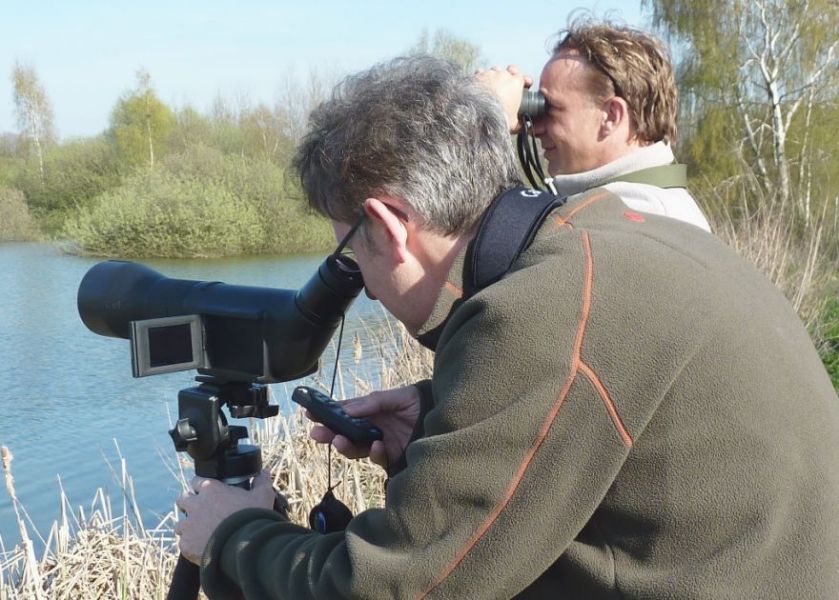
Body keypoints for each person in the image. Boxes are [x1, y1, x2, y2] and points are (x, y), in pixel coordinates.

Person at [174, 55, 839, 598]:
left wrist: (234, 535)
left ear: (388, 227)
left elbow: (396, 588)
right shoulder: (594, 235)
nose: (365, 292)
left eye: (351, 255)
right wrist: (445, 412)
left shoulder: (541, 311)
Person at [476, 19, 712, 232]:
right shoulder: (628, 204)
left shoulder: (641, 216)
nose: (536, 129)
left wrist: (483, 123)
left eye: (552, 109)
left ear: (611, 116)